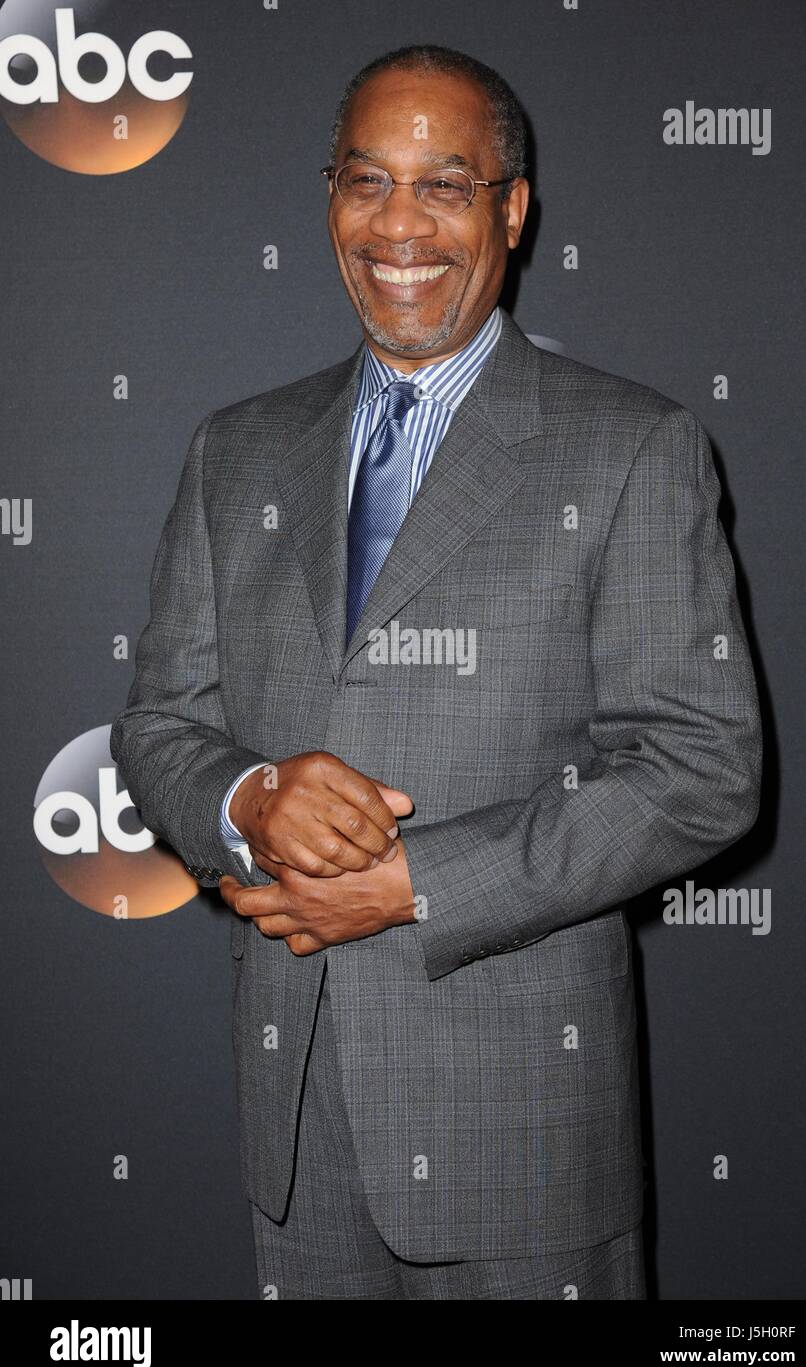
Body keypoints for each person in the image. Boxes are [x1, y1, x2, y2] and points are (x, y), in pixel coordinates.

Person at [110, 43, 762, 1300]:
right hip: (296, 1134)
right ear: (329, 201)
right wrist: (246, 800)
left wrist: (412, 884)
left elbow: (700, 767)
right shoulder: (234, 451)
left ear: (511, 212)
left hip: (521, 1143)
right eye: (367, 181)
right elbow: (157, 726)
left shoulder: (631, 447)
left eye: (444, 186)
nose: (397, 224)